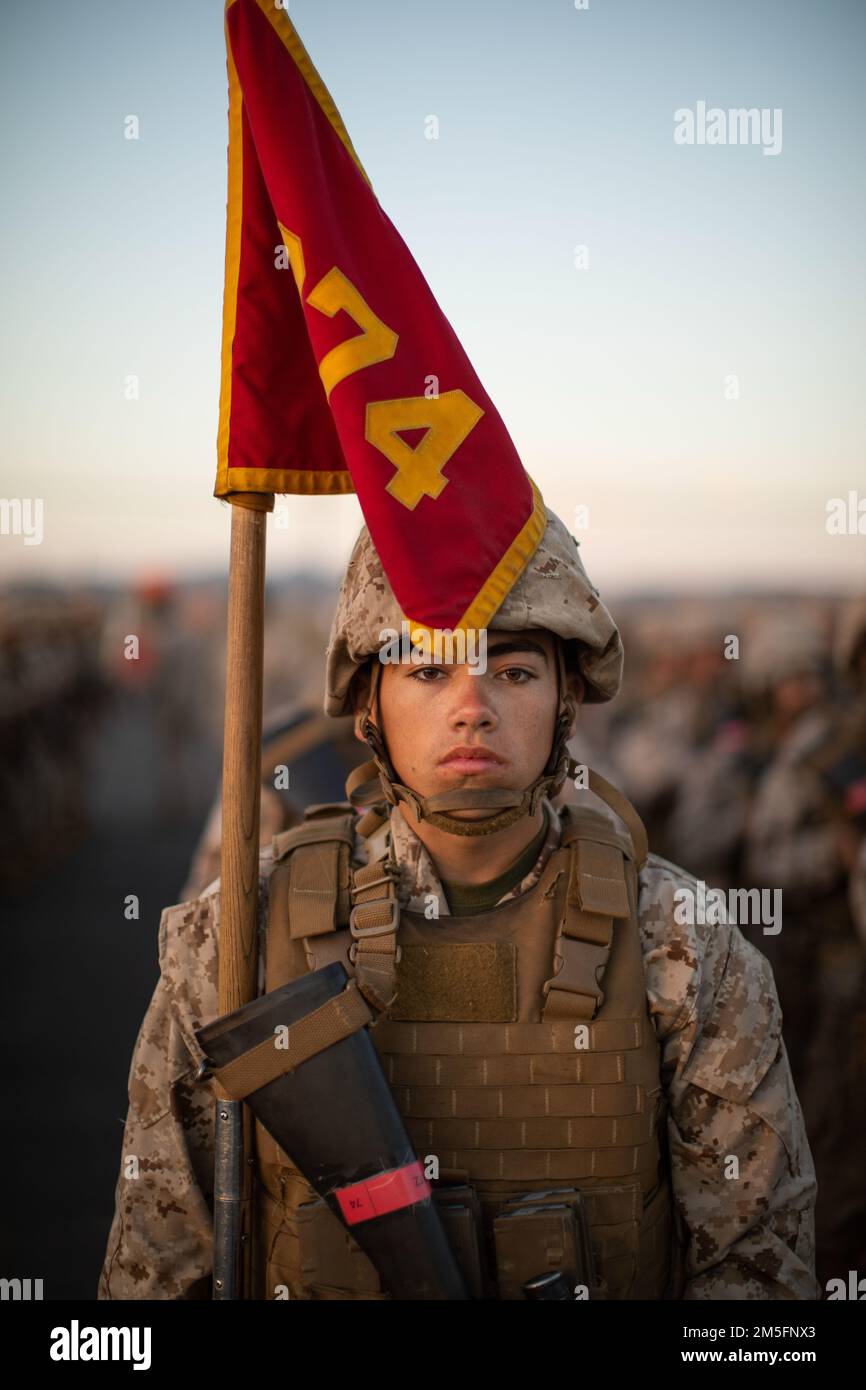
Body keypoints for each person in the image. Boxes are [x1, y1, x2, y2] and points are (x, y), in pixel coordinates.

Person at [98, 509, 818, 1301]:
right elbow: (157, 1272)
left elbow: (757, 1288)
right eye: (428, 672)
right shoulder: (237, 936)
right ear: (370, 702)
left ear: (565, 701)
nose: (471, 707)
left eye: (513, 672)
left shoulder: (682, 941)